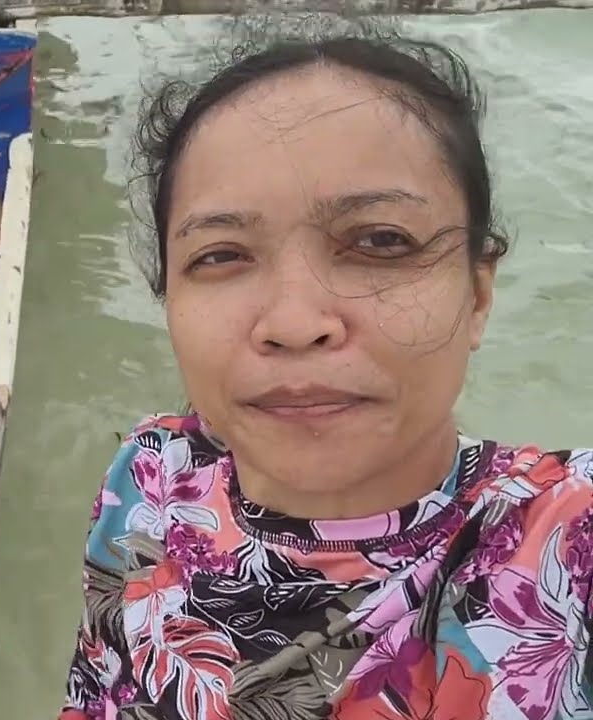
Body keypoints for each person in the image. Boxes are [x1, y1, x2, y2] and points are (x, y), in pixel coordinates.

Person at [61, 32, 593, 720]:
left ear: (478, 295)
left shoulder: (562, 544)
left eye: (380, 241)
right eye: (221, 255)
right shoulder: (148, 478)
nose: (293, 320)